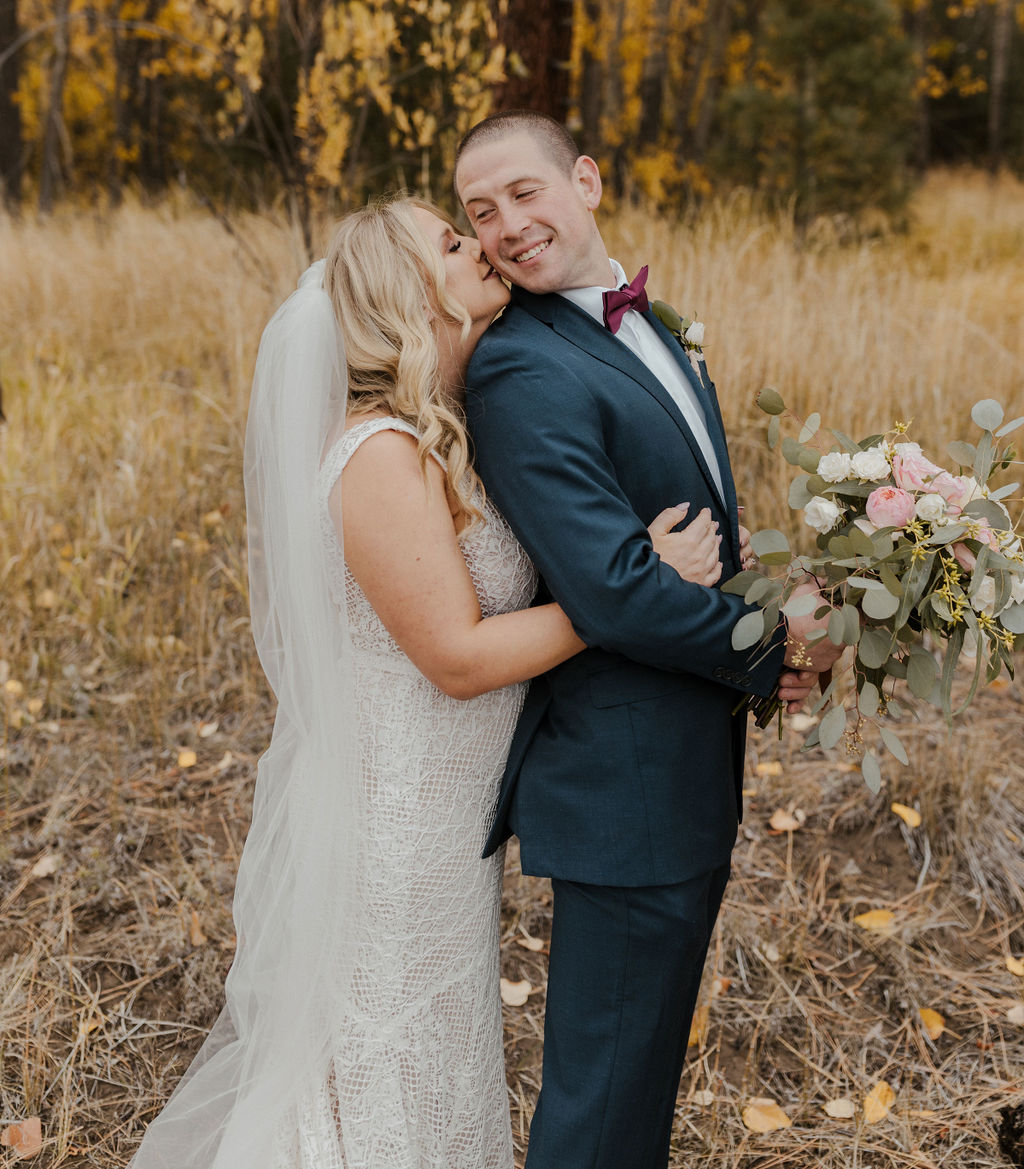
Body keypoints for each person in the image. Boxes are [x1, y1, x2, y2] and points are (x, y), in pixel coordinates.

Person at [130, 196, 726, 1169]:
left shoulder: (437, 431)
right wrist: (631, 588)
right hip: (396, 825)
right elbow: (454, 657)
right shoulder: (378, 455)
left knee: (435, 1048)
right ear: (411, 291)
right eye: (451, 241)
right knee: (388, 1058)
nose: (477, 244)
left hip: (450, 818)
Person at [455, 112, 842, 1169]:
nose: (505, 226)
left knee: (633, 1096)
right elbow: (617, 590)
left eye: (523, 193)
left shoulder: (649, 324)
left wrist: (799, 600)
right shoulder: (519, 372)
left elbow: (697, 531)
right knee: (601, 1111)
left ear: (584, 180)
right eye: (479, 213)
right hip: (621, 784)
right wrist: (778, 648)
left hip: (678, 763)